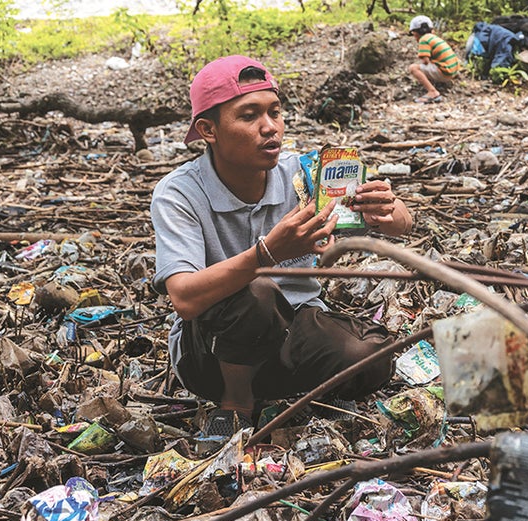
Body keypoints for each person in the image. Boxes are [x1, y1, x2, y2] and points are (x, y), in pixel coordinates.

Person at [151, 55, 413, 436]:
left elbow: (402, 222)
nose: (269, 127)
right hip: (211, 356)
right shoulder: (179, 194)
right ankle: (236, 405)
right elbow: (184, 298)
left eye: (275, 112)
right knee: (256, 291)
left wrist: (388, 211)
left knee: (372, 356)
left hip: (293, 330)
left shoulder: (302, 174)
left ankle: (288, 389)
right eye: (249, 116)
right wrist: (268, 253)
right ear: (208, 130)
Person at [407, 15, 460, 104]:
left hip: (445, 73)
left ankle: (432, 92)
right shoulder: (434, 38)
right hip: (453, 71)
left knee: (413, 68)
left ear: (417, 33)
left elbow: (425, 61)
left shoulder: (423, 39)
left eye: (414, 34)